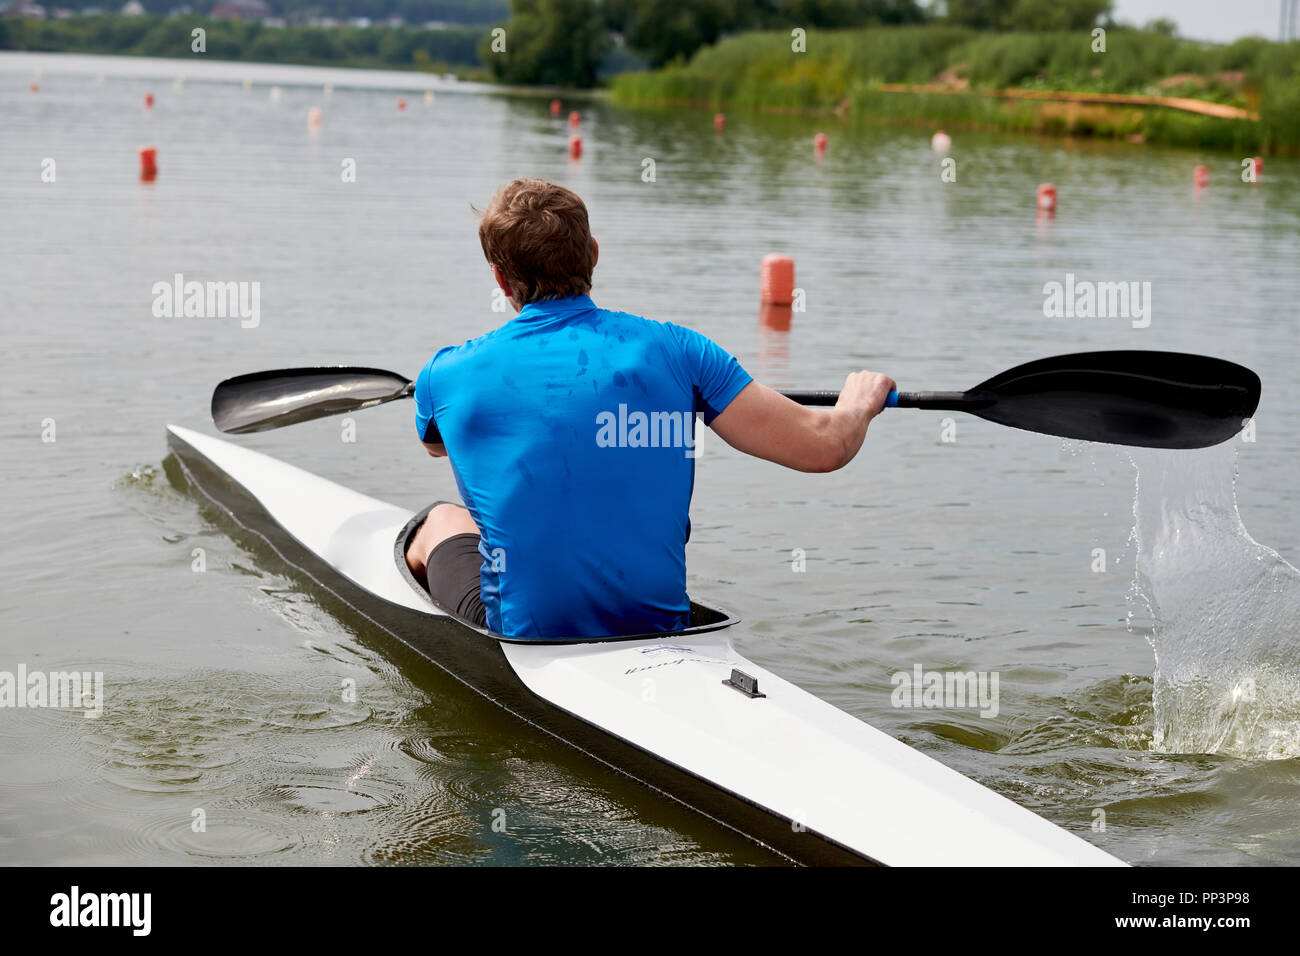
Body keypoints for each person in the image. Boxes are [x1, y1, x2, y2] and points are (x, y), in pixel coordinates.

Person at [406, 178, 894, 639]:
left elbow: (435, 446)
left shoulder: (445, 374)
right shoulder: (682, 351)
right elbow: (824, 447)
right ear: (593, 255)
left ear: (499, 278)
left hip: (527, 637)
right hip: (653, 624)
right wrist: (859, 404)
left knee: (439, 521)